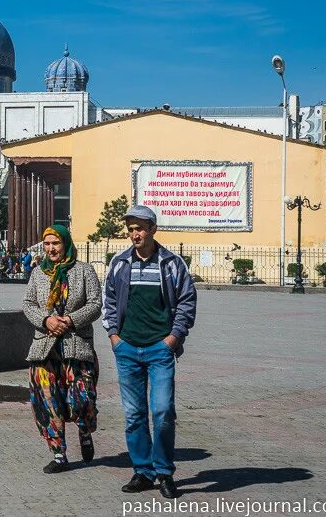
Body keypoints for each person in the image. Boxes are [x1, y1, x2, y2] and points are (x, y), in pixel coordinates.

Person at [103, 205, 197, 499]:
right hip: (127, 349)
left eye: (140, 228)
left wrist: (173, 338)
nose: (135, 234)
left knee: (163, 411)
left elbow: (186, 301)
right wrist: (114, 337)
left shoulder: (171, 263)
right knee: (134, 414)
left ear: (153, 229)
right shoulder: (119, 263)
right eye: (130, 229)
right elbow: (108, 301)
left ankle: (164, 472)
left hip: (159, 350)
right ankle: (143, 472)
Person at [22, 224, 102, 474]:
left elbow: (95, 304)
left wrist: (70, 320)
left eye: (55, 243)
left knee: (81, 400)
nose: (51, 248)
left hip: (76, 346)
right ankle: (59, 455)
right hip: (44, 348)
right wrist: (47, 320)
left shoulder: (84, 271)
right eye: (46, 244)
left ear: (65, 244)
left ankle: (85, 432)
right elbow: (28, 303)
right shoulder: (38, 273)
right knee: (47, 402)